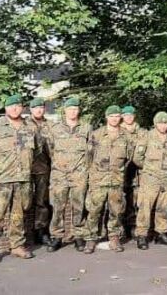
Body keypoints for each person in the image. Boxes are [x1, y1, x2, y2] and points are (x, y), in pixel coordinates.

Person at [0, 94, 38, 264]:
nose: (15, 109)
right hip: (1, 180)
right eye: (12, 106)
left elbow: (37, 150)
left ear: (22, 108)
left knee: (19, 215)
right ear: (6, 108)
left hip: (22, 179)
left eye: (18, 106)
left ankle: (17, 246)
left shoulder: (30, 128)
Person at [83, 105, 132, 254]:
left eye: (117, 116)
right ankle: (90, 239)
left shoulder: (126, 136)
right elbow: (88, 157)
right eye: (112, 116)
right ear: (106, 117)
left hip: (116, 180)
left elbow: (128, 158)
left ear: (121, 118)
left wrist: (118, 171)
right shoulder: (96, 135)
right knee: (94, 210)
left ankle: (114, 238)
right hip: (98, 180)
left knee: (116, 212)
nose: (114, 119)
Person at [44, 96, 91, 252]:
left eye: (76, 109)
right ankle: (57, 237)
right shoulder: (55, 129)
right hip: (59, 176)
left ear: (79, 111)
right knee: (57, 207)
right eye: (70, 109)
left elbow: (91, 151)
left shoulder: (86, 128)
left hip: (79, 174)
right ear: (65, 111)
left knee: (79, 206)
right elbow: (49, 150)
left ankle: (79, 236)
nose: (73, 112)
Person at [132, 111, 167, 248]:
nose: (163, 126)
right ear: (155, 123)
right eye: (160, 123)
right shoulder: (147, 137)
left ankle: (161, 234)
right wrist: (149, 169)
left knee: (163, 208)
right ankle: (141, 236)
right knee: (145, 208)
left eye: (165, 123)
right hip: (150, 179)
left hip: (166, 179)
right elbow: (137, 158)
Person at [120, 105, 147, 239]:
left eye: (130, 115)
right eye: (125, 115)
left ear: (134, 116)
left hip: (137, 173)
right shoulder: (117, 131)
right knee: (120, 200)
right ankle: (121, 228)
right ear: (122, 117)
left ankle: (132, 227)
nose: (128, 117)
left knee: (136, 201)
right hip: (121, 172)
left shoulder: (143, 133)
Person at [27, 97, 51, 246]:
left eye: (41, 107)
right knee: (23, 201)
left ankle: (41, 231)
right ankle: (22, 232)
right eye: (36, 108)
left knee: (42, 201)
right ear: (30, 110)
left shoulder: (50, 126)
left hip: (43, 168)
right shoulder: (24, 125)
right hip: (25, 169)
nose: (39, 110)